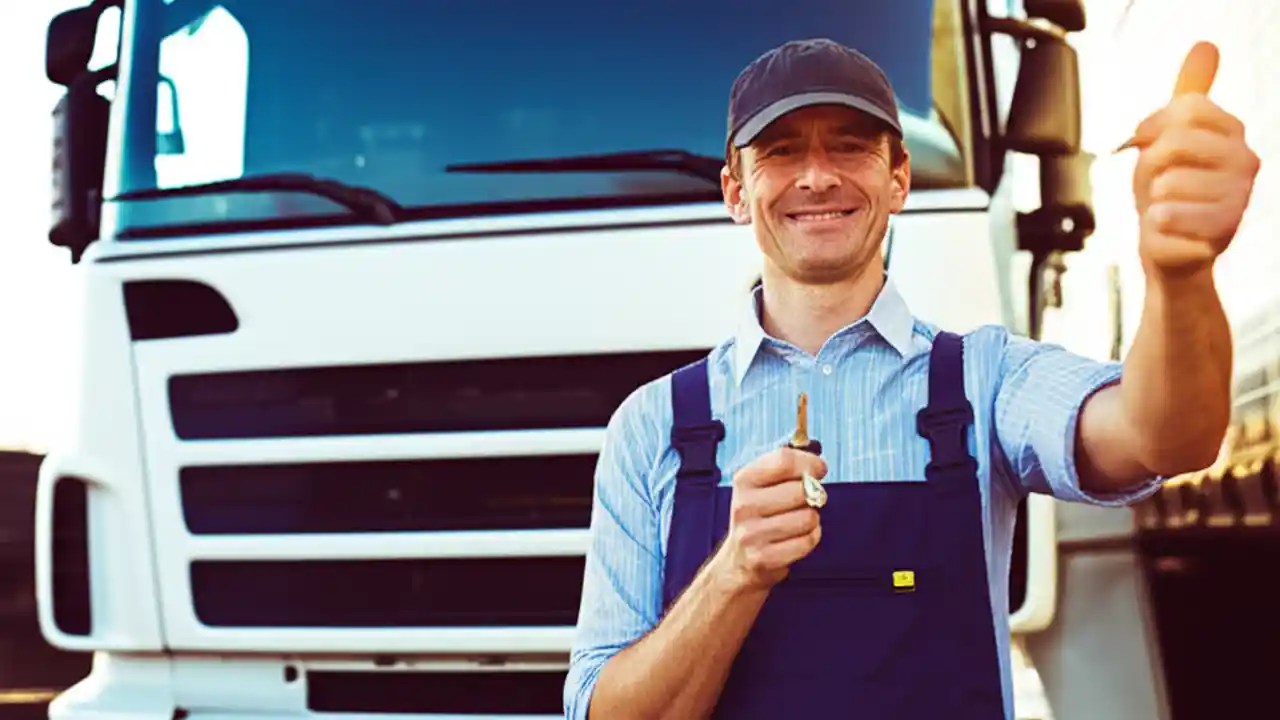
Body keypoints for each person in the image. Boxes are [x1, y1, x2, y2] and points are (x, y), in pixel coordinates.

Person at [564, 37, 1259, 720]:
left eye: (849, 145)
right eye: (780, 151)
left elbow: (1165, 437)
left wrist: (1180, 276)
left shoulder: (984, 381)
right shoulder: (651, 426)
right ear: (736, 192)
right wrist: (734, 572)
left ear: (898, 178)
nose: (817, 176)